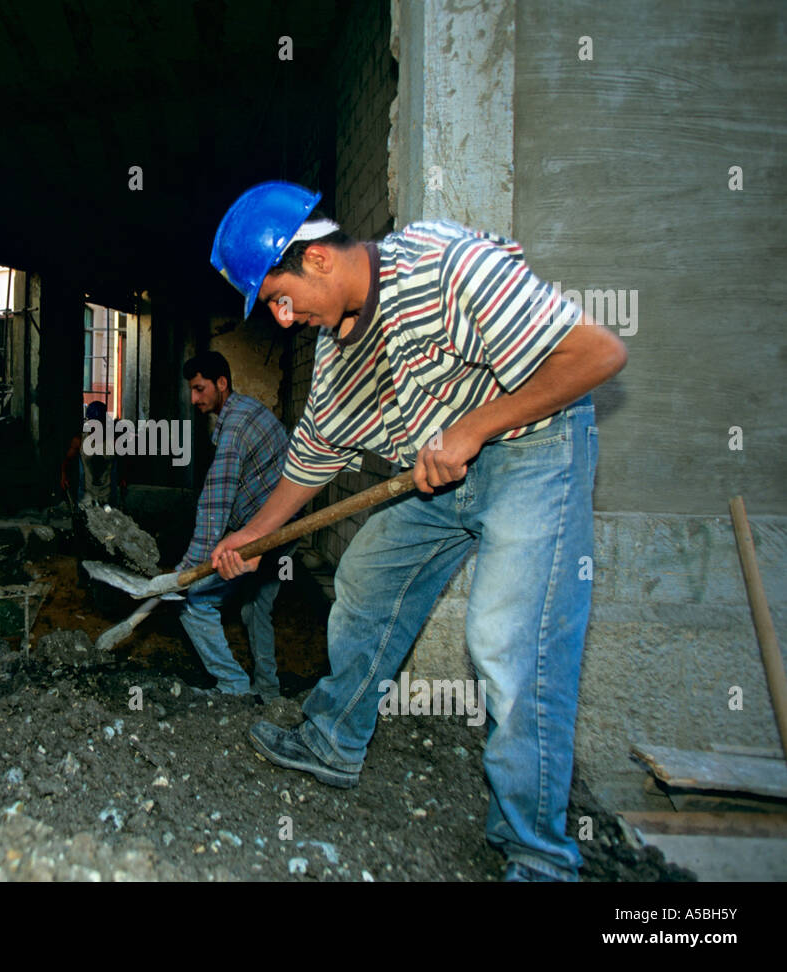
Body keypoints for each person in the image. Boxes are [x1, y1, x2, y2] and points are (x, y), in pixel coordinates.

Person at [208, 182, 627, 882]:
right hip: (440, 476)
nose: (282, 321)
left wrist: (472, 428)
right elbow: (307, 468)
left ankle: (539, 855)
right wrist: (248, 539)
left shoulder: (441, 265)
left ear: (315, 259)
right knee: (367, 578)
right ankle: (332, 740)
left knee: (506, 642)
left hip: (536, 450)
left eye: (280, 298)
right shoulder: (340, 359)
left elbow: (596, 354)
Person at [177, 351, 293, 701]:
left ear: (221, 384)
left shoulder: (236, 427)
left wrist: (188, 571)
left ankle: (233, 684)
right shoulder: (244, 411)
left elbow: (216, 502)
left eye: (200, 389)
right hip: (283, 529)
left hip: (271, 534)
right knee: (255, 605)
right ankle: (269, 693)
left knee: (194, 604)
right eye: (192, 391)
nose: (194, 398)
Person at [60, 400, 124, 508]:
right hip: (86, 497)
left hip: (108, 498)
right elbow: (67, 459)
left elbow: (123, 461)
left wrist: (123, 478)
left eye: (99, 422)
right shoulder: (80, 441)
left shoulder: (114, 442)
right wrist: (63, 476)